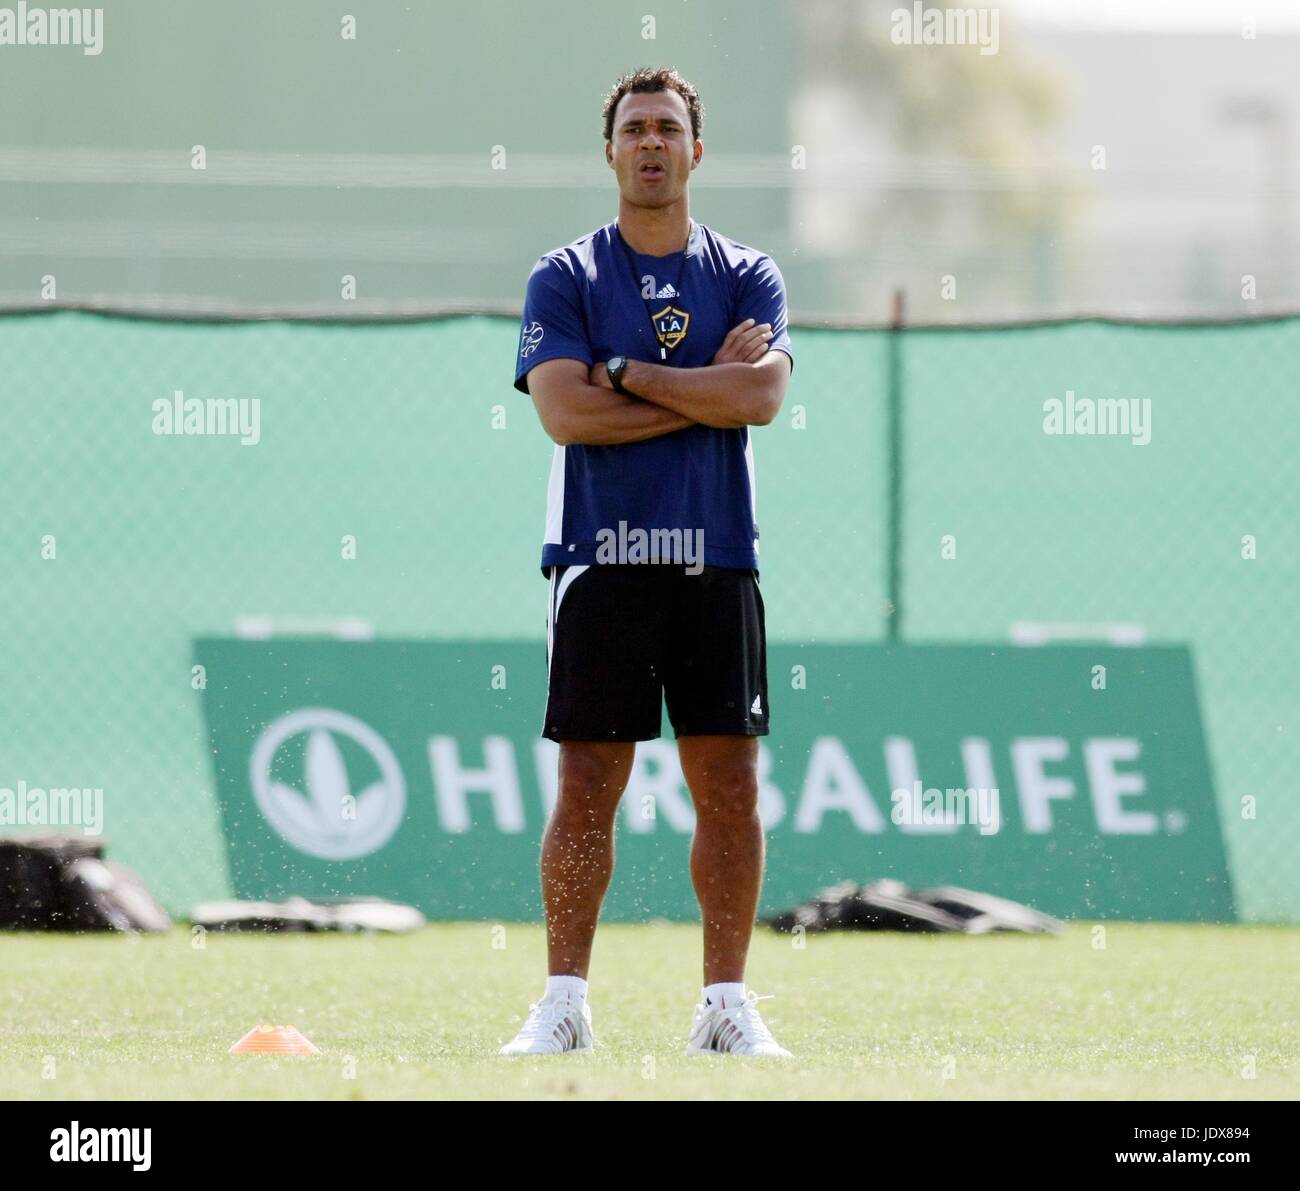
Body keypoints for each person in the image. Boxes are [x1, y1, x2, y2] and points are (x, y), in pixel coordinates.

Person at [503, 67, 794, 1057]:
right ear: (612, 151)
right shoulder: (568, 276)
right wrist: (700, 382)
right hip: (600, 557)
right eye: (635, 130)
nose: (653, 143)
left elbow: (758, 401)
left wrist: (628, 373)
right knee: (588, 782)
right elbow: (563, 413)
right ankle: (564, 1004)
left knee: (730, 786)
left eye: (669, 128)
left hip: (717, 557)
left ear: (697, 150)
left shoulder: (749, 274)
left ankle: (724, 1005)